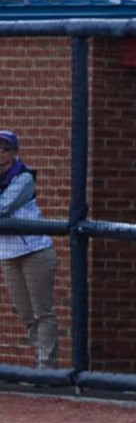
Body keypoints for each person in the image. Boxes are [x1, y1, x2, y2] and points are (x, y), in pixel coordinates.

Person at [0, 129, 60, 369]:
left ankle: (46, 366)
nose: (1, 154)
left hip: (34, 251)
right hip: (8, 253)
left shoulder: (23, 177)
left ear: (14, 153)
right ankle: (40, 359)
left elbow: (3, 207)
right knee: (25, 313)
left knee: (41, 311)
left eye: (6, 150)